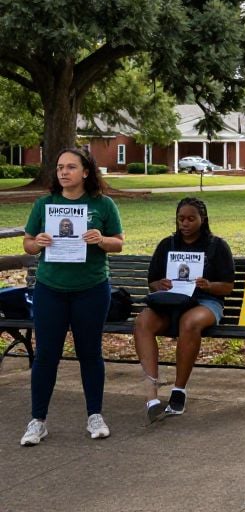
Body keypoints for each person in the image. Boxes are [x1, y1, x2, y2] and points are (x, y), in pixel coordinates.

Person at [20, 148, 125, 446]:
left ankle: (95, 415)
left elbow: (118, 243)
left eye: (71, 167)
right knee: (46, 356)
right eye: (59, 168)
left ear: (86, 172)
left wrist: (101, 240)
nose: (63, 172)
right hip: (50, 289)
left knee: (90, 353)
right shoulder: (45, 204)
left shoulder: (102, 205)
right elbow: (28, 243)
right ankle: (37, 421)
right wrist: (36, 243)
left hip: (91, 290)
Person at [133, 197, 235, 423]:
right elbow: (153, 281)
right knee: (143, 321)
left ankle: (179, 390)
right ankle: (151, 394)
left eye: (191, 219)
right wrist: (160, 284)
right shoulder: (167, 245)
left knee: (189, 322)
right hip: (170, 302)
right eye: (181, 219)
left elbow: (227, 287)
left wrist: (209, 285)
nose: (185, 224)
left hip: (205, 302)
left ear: (203, 219)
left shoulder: (217, 246)